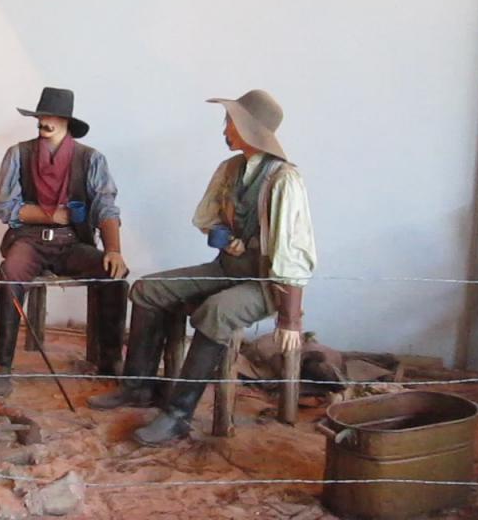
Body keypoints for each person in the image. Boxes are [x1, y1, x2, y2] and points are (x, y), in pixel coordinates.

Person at [89, 89, 316, 445]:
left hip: (265, 284)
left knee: (214, 313)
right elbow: (207, 217)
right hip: (226, 268)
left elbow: (293, 252)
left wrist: (290, 318)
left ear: (248, 128)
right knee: (147, 290)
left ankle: (178, 414)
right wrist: (224, 236)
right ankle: (138, 387)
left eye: (230, 122)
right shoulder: (230, 169)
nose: (225, 129)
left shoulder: (284, 180)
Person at [0, 86, 129, 395]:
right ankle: (3, 364)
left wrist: (114, 250)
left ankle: (109, 362)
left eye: (53, 117)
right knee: (10, 273)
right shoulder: (19, 154)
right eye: (42, 116)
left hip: (71, 243)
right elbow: (2, 206)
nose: (45, 122)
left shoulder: (90, 158)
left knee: (114, 275)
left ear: (67, 122)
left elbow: (106, 204)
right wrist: (50, 215)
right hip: (28, 240)